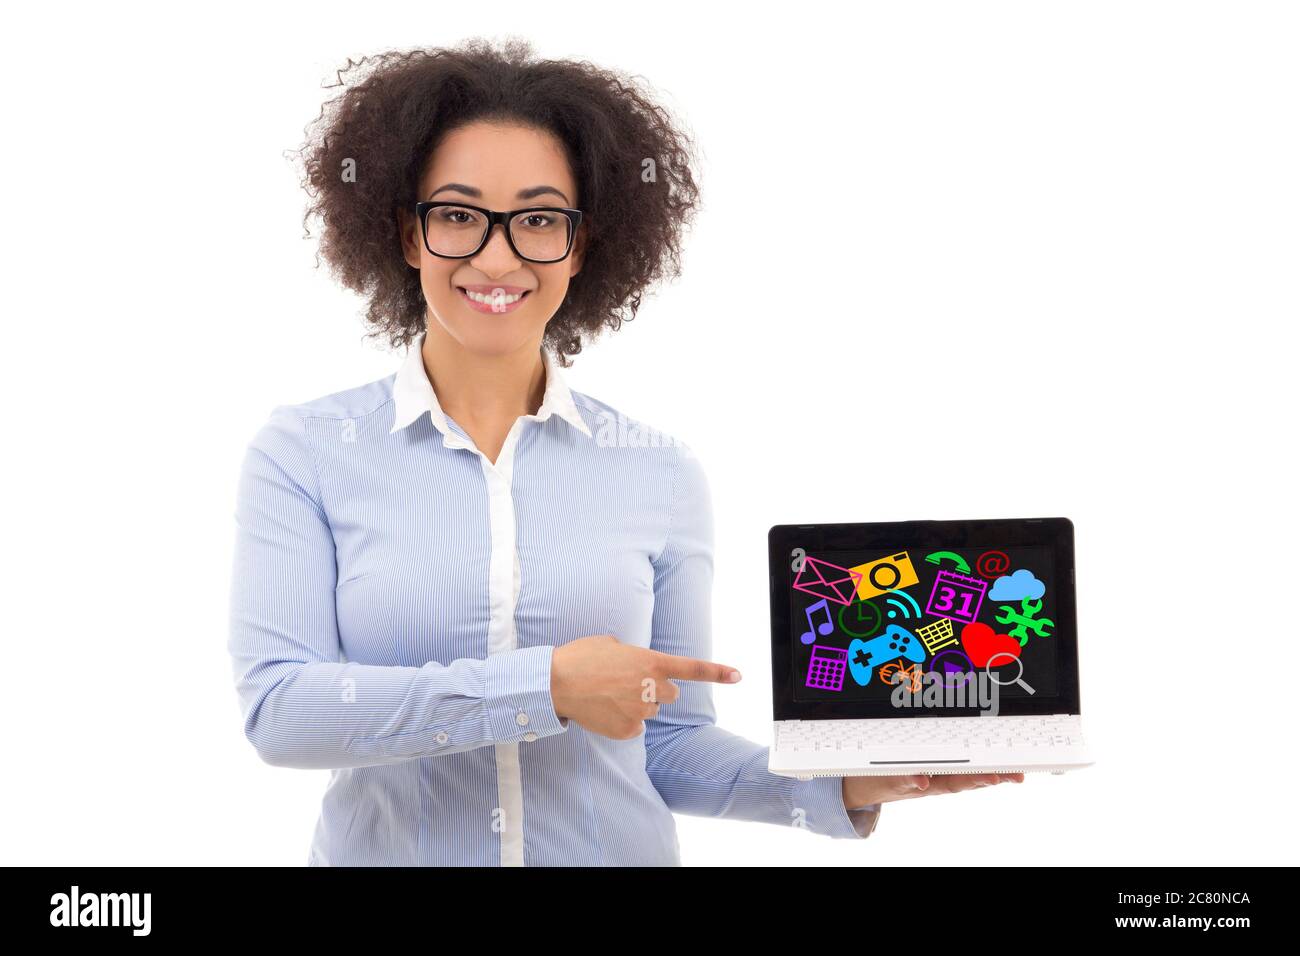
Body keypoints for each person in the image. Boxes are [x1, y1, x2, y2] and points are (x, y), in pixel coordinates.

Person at [227, 37, 1022, 867]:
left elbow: (670, 747)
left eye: (538, 219)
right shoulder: (307, 453)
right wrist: (547, 688)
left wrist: (849, 785)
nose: (497, 257)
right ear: (405, 233)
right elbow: (281, 713)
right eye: (458, 215)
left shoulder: (658, 472)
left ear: (580, 244)